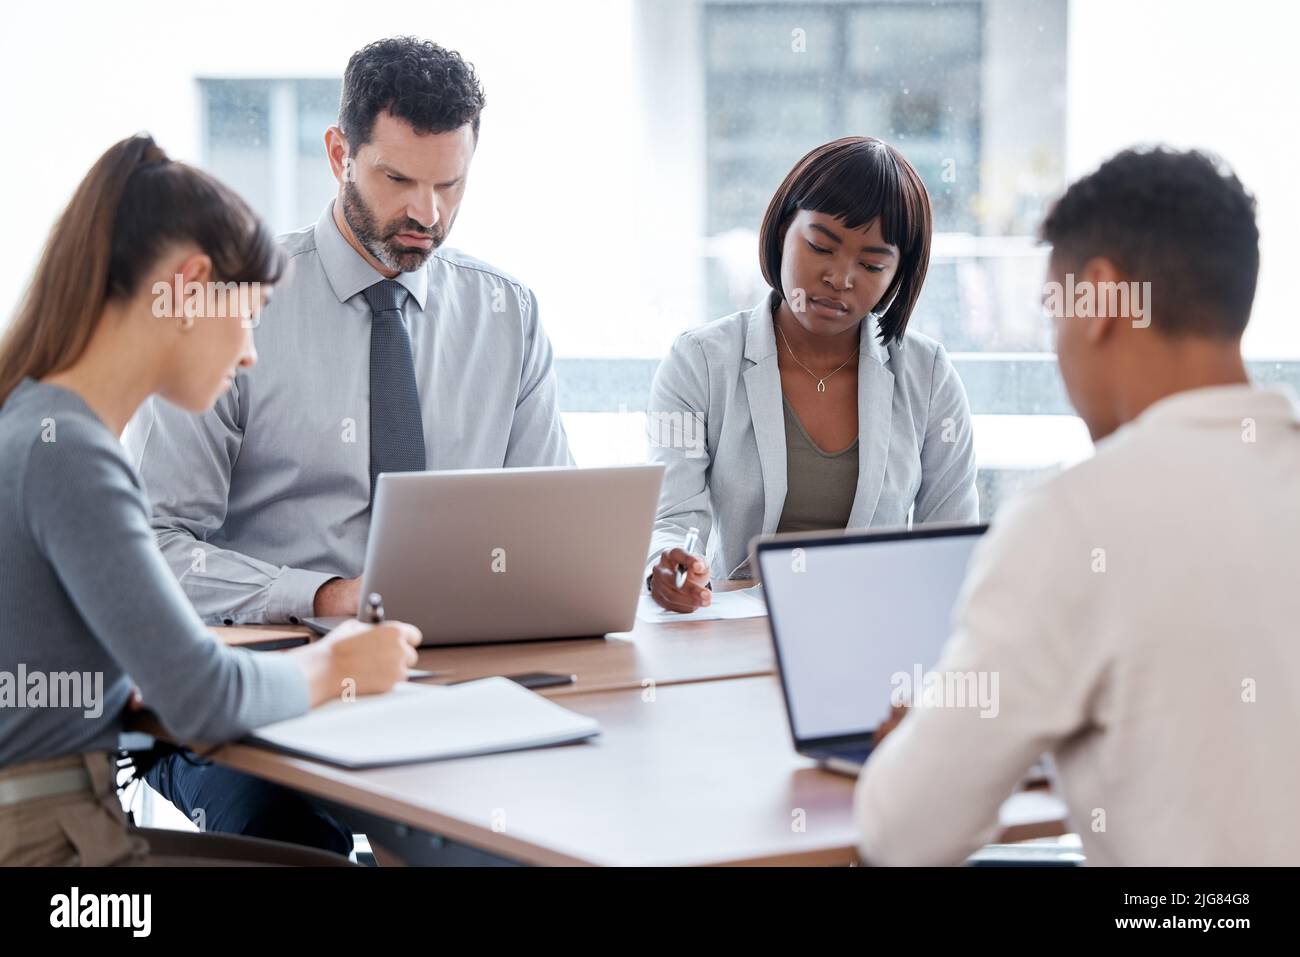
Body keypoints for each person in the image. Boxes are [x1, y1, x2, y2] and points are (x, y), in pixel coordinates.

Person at [125, 37, 572, 851]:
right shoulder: (237, 307)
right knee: (289, 840)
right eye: (397, 180)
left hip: (443, 678)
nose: (426, 214)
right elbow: (151, 548)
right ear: (339, 153)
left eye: (450, 184)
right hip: (255, 686)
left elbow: (556, 530)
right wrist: (327, 593)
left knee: (515, 835)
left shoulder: (508, 316)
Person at [855, 146, 1300, 866]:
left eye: (1053, 313)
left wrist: (933, 733)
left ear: (1099, 299)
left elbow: (903, 833)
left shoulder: (1075, 522)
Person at [0, 134, 420, 866]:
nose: (251, 351)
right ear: (191, 287)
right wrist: (344, 666)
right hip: (55, 857)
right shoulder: (72, 452)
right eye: (249, 312)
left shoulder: (33, 420)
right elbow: (203, 698)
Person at [646, 136, 978, 612]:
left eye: (871, 264)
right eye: (821, 246)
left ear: (897, 275)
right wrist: (672, 565)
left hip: (879, 634)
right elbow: (676, 520)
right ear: (782, 230)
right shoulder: (699, 359)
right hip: (733, 631)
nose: (840, 277)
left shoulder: (928, 376)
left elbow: (952, 549)